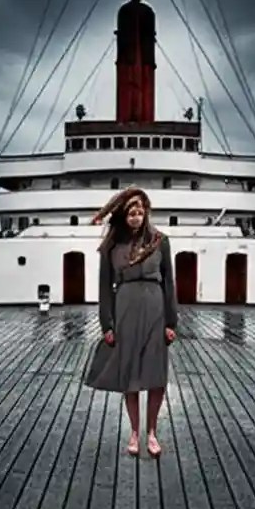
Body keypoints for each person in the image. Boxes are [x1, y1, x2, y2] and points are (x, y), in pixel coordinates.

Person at [83, 186, 177, 458]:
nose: (135, 216)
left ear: (146, 213)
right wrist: (107, 325)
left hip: (156, 306)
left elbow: (169, 282)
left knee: (156, 375)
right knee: (130, 375)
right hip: (124, 305)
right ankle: (135, 433)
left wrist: (172, 322)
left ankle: (152, 433)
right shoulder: (112, 246)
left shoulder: (160, 240)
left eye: (139, 211)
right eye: (130, 212)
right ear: (123, 216)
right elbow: (104, 287)